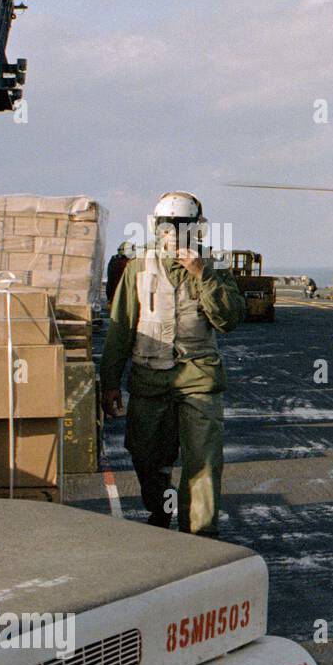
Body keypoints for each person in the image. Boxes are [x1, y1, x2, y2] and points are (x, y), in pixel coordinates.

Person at [100, 192, 245, 537]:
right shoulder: (138, 266)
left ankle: (200, 535)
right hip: (150, 380)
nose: (172, 234)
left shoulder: (216, 266)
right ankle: (161, 513)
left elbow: (229, 320)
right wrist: (109, 383)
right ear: (156, 227)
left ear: (196, 230)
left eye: (180, 227)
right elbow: (120, 328)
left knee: (203, 460)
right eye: (166, 227)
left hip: (200, 379)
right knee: (148, 459)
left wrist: (203, 275)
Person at [105, 241, 136, 309]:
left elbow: (110, 281)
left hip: (116, 296)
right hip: (126, 297)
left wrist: (109, 299)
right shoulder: (131, 263)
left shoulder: (114, 260)